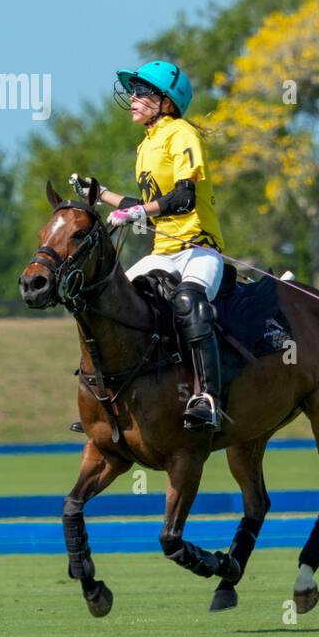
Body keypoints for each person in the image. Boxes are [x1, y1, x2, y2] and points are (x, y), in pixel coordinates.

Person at [70, 60, 228, 432]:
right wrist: (101, 194)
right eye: (134, 91)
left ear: (167, 103)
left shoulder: (182, 134)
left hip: (198, 249)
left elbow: (183, 198)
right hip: (163, 252)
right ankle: (103, 396)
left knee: (190, 303)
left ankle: (208, 399)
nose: (134, 98)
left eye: (143, 92)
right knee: (109, 300)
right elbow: (146, 208)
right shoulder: (146, 145)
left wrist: (137, 211)